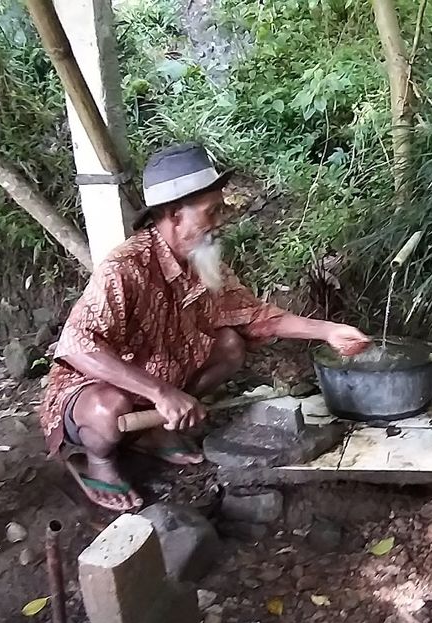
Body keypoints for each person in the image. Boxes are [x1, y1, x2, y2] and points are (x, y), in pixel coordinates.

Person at [38, 143, 372, 511]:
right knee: (109, 406)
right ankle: (97, 461)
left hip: (156, 378)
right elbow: (76, 345)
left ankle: (152, 431)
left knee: (230, 344)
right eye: (210, 212)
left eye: (220, 209)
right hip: (95, 390)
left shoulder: (203, 261)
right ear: (172, 215)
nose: (220, 221)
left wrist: (328, 330)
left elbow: (255, 315)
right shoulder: (125, 267)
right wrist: (161, 393)